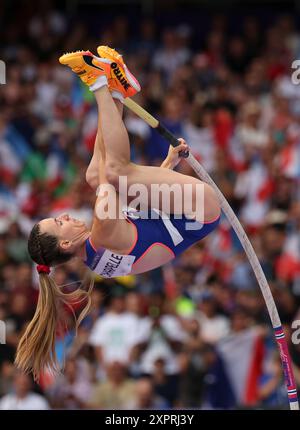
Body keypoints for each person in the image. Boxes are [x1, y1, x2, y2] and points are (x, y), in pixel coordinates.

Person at [15, 46, 221, 380]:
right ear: (65, 245)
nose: (65, 216)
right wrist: (100, 92)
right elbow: (115, 174)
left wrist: (167, 166)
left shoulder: (96, 250)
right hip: (198, 212)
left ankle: (116, 90)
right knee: (112, 174)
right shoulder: (102, 235)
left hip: (176, 212)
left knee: (96, 177)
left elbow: (136, 207)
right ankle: (105, 86)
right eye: (59, 222)